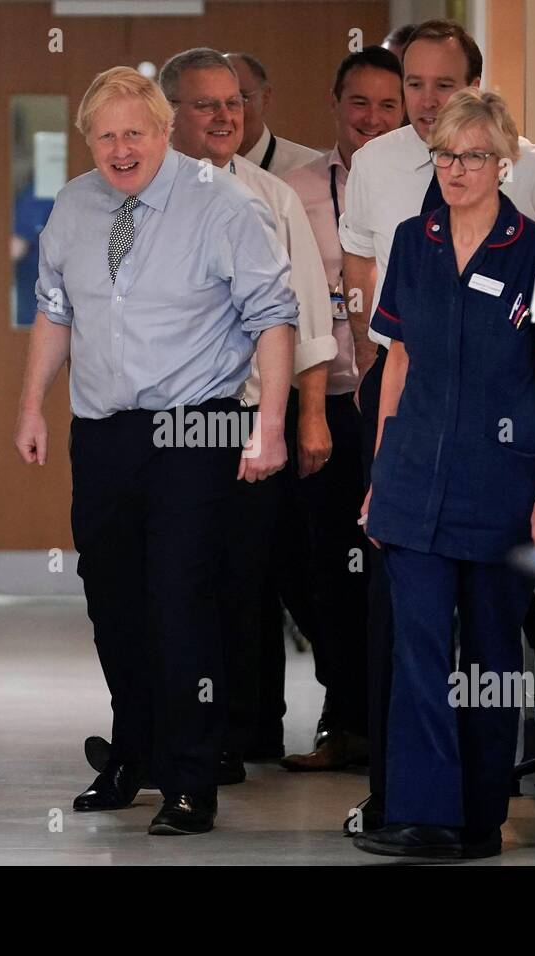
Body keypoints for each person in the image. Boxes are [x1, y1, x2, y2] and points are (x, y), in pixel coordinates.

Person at [14, 66, 297, 835]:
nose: (120, 148)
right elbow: (52, 312)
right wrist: (31, 405)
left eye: (133, 131)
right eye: (104, 136)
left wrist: (269, 423)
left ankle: (192, 777)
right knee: (112, 602)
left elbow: (275, 317)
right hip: (102, 431)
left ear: (165, 130)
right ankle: (133, 752)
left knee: (181, 600)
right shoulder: (73, 205)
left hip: (194, 428)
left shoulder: (224, 204)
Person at [338, 18, 535, 834]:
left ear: (504, 165)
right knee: (419, 652)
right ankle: (421, 818)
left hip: (500, 483)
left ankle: (477, 819)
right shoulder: (412, 239)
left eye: (471, 156)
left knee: (494, 656)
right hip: (412, 478)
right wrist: (379, 475)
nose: (455, 169)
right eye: (444, 155)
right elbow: (394, 362)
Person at [158, 47, 337, 783]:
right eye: (206, 105)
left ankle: (240, 732)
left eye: (233, 102)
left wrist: (311, 418)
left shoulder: (272, 195)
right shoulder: (141, 196)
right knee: (171, 583)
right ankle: (166, 733)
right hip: (165, 422)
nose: (226, 116)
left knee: (244, 583)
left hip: (247, 418)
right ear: (169, 114)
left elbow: (310, 316)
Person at [278, 47, 404, 772]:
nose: (374, 118)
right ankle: (342, 714)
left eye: (389, 105)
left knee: (391, 565)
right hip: (325, 402)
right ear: (336, 106)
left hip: (402, 406)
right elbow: (287, 305)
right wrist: (307, 413)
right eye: (361, 103)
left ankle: (386, 722)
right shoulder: (295, 188)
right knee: (320, 567)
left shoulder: (426, 179)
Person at [225, 52, 321, 175]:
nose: (226, 115)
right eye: (211, 103)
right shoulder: (199, 168)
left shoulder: (312, 169)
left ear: (265, 97)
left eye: (239, 99)